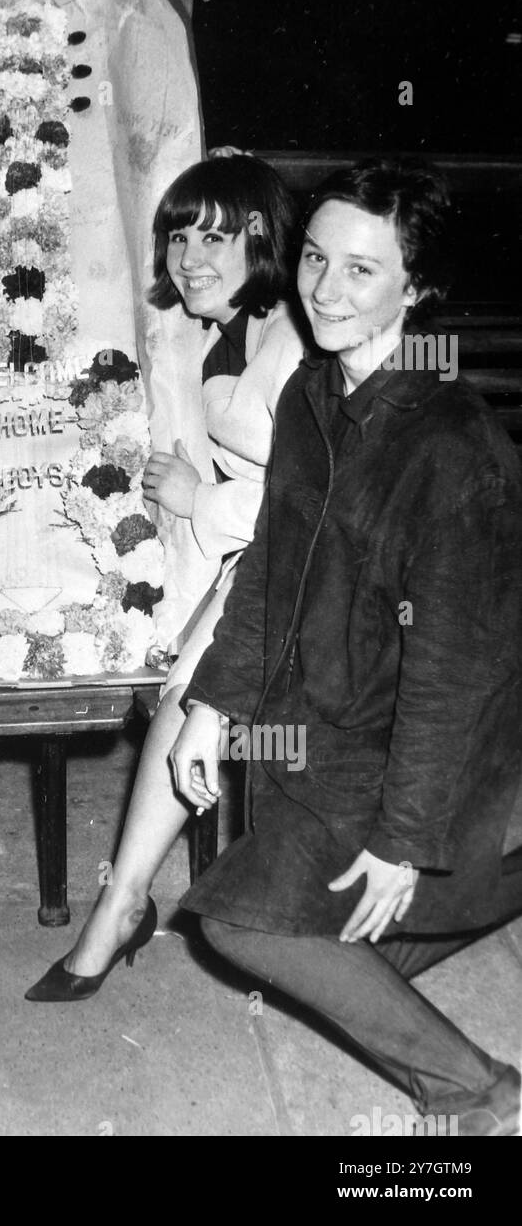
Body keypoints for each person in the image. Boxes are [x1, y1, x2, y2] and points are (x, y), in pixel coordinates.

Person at [170, 159, 522, 1136]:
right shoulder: (313, 394)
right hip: (328, 727)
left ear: (417, 289)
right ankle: (353, 954)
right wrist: (212, 704)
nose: (324, 289)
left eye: (361, 271)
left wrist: (406, 842)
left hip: (442, 760)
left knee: (238, 918)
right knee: (289, 912)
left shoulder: (450, 448)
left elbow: (459, 677)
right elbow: (272, 562)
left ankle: (479, 1091)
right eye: (316, 259)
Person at [27, 155, 305, 1001]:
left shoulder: (294, 336)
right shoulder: (222, 327)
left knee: (193, 682)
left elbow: (315, 497)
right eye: (179, 235)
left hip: (314, 560)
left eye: (215, 236)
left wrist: (201, 498)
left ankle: (121, 903)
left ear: (263, 241)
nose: (189, 256)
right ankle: (126, 897)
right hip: (249, 549)